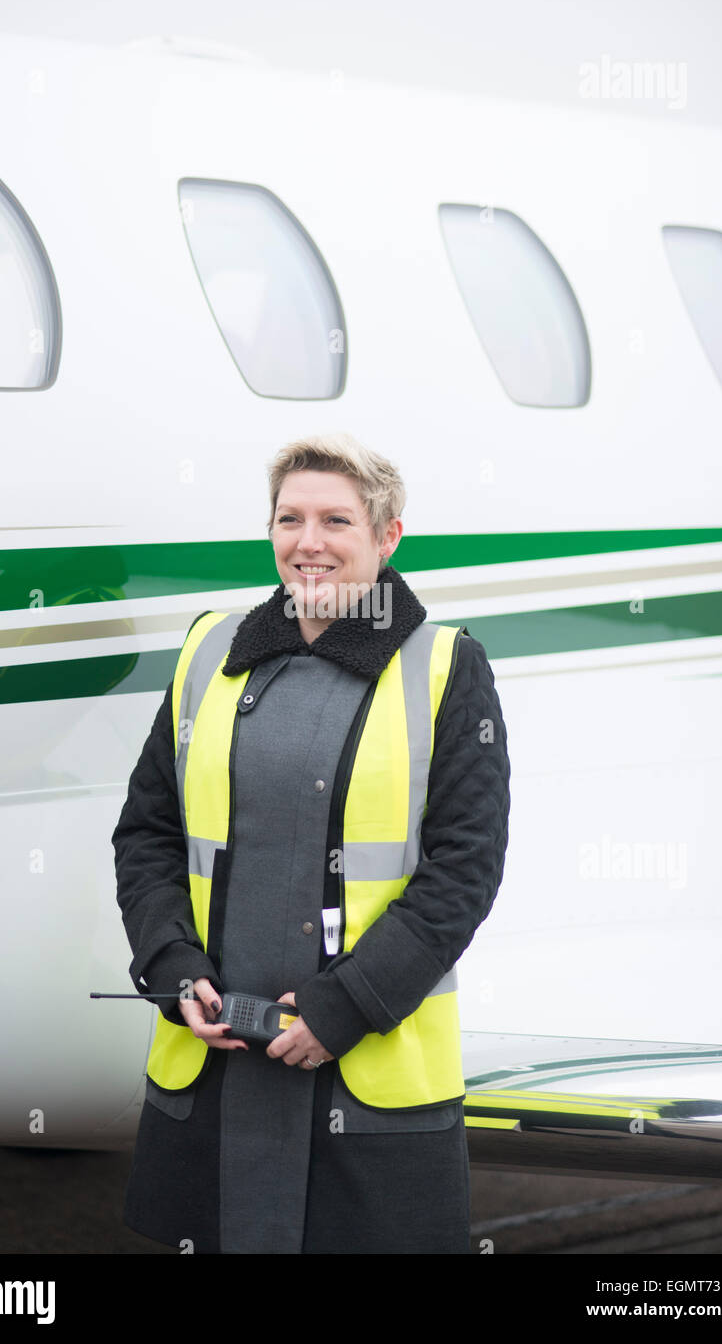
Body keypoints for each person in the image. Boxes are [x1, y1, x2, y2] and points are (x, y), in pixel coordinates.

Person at [112, 432, 510, 1254]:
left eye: (336, 521)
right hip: (216, 1059)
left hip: (363, 1072)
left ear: (387, 536)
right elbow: (148, 833)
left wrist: (343, 1008)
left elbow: (462, 872)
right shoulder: (208, 652)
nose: (309, 543)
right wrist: (172, 967)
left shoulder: (444, 667)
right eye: (289, 519)